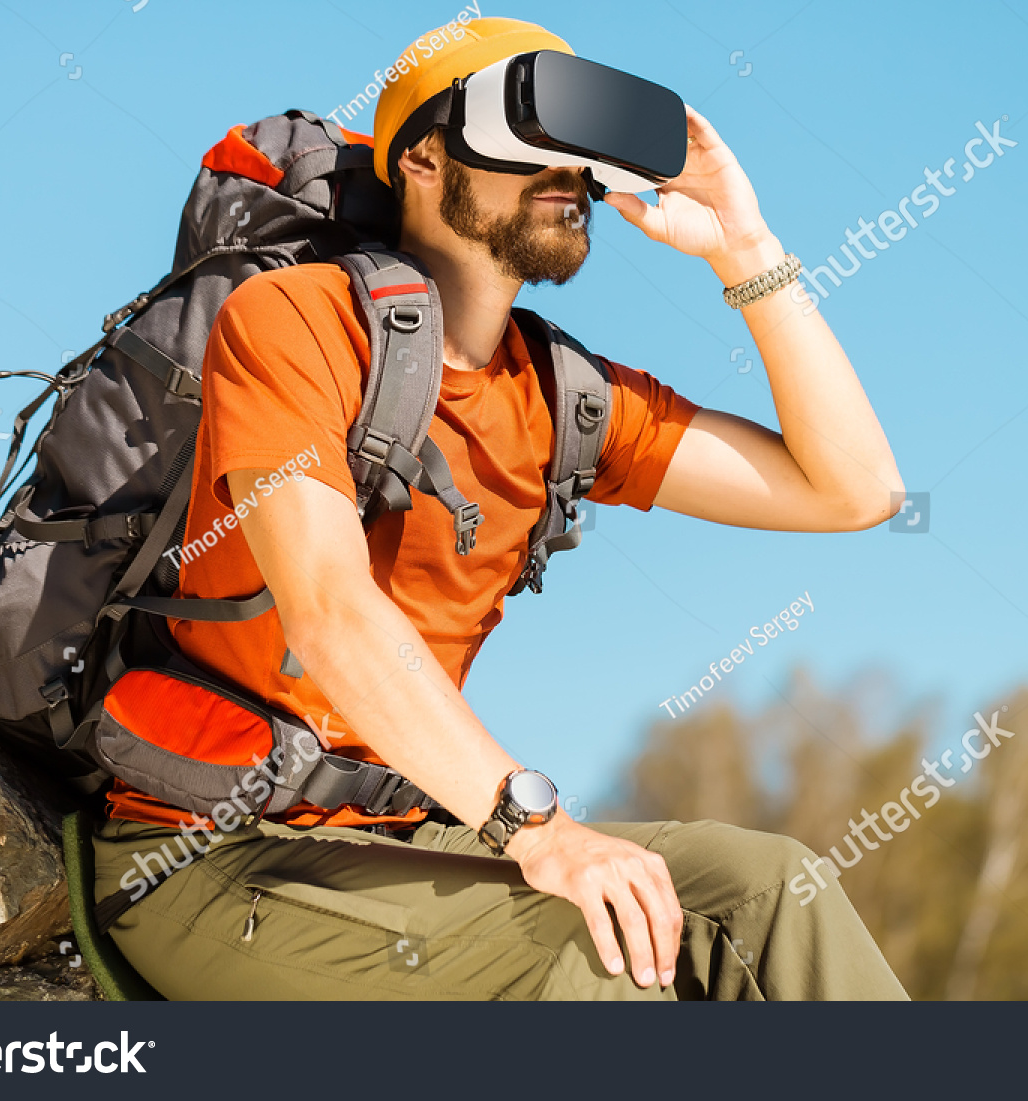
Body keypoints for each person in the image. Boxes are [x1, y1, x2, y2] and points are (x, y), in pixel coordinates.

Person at [92, 17, 909, 1000]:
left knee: (773, 887)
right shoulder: (298, 319)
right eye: (530, 139)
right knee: (598, 971)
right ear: (425, 161)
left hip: (397, 834)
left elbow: (856, 491)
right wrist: (540, 831)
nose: (565, 171)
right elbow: (331, 613)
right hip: (213, 857)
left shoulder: (563, 394)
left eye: (575, 148)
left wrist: (747, 247)